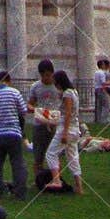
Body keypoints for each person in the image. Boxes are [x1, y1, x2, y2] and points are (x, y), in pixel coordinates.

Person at [0, 70, 28, 201]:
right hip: (13, 132)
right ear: (8, 80)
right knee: (17, 163)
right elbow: (23, 111)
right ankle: (20, 192)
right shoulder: (15, 93)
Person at [43, 70, 83, 195]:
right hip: (74, 128)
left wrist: (64, 132)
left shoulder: (67, 94)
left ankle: (56, 180)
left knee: (50, 153)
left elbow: (67, 114)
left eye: (56, 82)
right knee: (72, 157)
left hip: (68, 129)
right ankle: (79, 186)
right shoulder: (73, 92)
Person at [27, 60, 61, 188]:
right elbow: (30, 103)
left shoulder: (57, 86)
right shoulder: (36, 86)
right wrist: (35, 110)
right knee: (38, 154)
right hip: (40, 123)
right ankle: (38, 180)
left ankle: (56, 178)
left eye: (48, 75)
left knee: (54, 153)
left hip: (55, 122)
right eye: (44, 76)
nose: (46, 78)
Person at [93, 57, 110, 124]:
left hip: (97, 89)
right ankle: (104, 120)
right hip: (102, 89)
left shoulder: (96, 72)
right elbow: (103, 83)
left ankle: (97, 119)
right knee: (106, 105)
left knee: (98, 106)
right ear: (102, 65)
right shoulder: (102, 73)